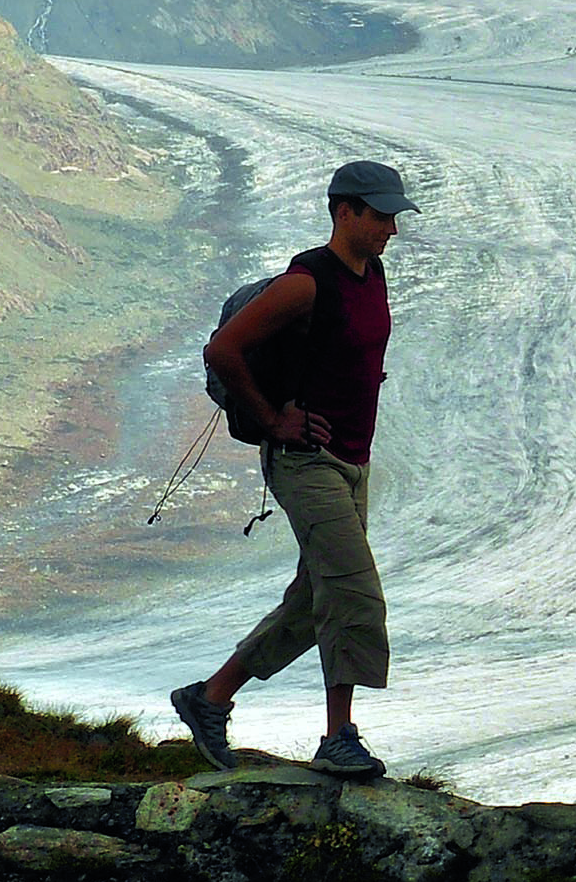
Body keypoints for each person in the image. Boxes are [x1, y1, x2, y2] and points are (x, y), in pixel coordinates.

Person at [170, 159, 413, 782]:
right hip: (306, 463)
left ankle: (209, 698)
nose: (390, 226)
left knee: (311, 603)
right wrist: (272, 420)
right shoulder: (307, 283)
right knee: (353, 592)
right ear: (344, 212)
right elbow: (222, 350)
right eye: (380, 214)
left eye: (393, 215)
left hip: (352, 461)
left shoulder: (373, 274)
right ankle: (338, 737)